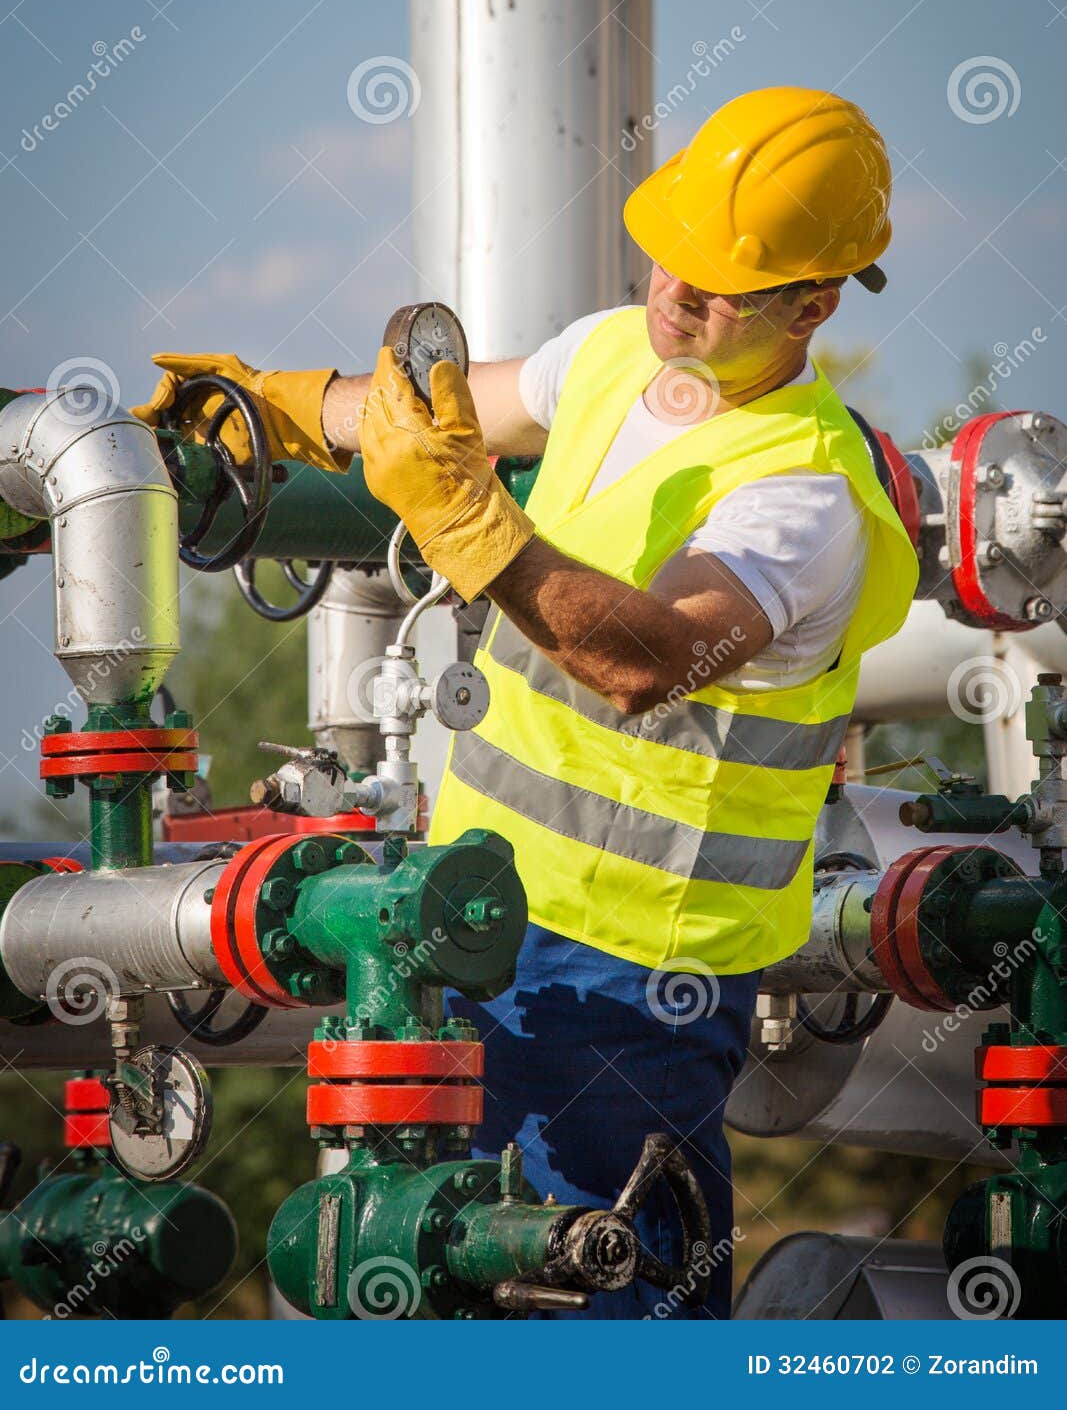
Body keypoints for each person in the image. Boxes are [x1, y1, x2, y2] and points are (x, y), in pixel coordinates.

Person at [136, 86, 919, 1318]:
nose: (673, 291)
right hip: (479, 923)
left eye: (718, 280)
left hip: (633, 983)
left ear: (811, 304)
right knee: (458, 1286)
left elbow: (651, 659)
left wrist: (464, 518)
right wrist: (264, 414)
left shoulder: (805, 492)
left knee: (597, 1317)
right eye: (668, 252)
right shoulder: (613, 352)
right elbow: (426, 416)